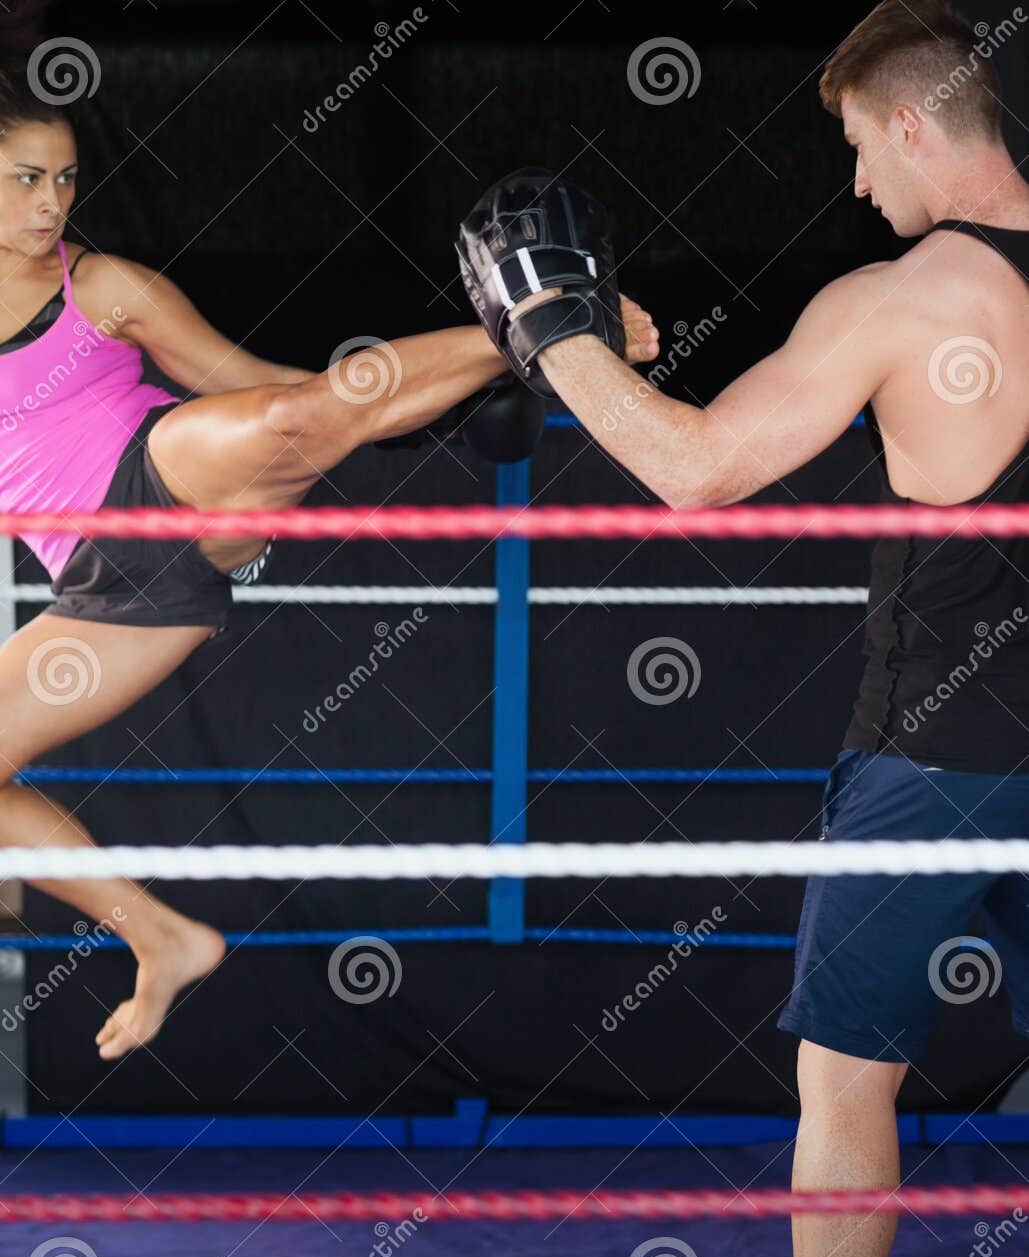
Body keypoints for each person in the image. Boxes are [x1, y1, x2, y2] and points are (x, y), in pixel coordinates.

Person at [458, 0, 1029, 1257]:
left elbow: (696, 467)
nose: (855, 184)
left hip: (941, 762)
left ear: (917, 122)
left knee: (843, 1082)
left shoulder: (912, 294)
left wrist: (556, 331)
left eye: (856, 143)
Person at [0, 12, 661, 1062]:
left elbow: (260, 385)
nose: (52, 204)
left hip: (162, 477)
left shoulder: (104, 289)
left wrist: (365, 417)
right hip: (97, 586)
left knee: (291, 416)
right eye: (26, 180)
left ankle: (551, 320)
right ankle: (160, 935)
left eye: (66, 179)